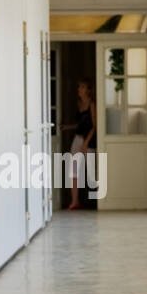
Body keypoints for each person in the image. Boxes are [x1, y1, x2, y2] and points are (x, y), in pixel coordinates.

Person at [59, 78, 96, 211]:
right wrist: (67, 127)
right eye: (79, 87)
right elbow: (79, 125)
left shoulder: (92, 104)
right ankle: (75, 201)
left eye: (82, 87)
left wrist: (86, 142)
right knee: (73, 170)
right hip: (77, 139)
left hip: (89, 140)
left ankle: (99, 202)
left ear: (88, 90)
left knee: (92, 172)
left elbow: (94, 126)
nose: (79, 89)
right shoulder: (79, 104)